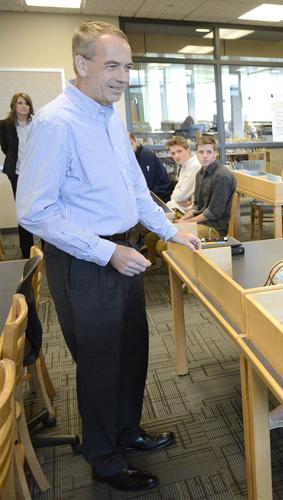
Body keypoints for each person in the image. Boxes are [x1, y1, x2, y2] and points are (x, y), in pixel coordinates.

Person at [16, 22, 201, 491]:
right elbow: (35, 211)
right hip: (86, 259)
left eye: (129, 67)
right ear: (82, 64)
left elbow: (135, 190)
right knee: (100, 365)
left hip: (123, 250)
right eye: (112, 65)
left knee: (131, 353)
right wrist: (106, 252)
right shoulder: (56, 122)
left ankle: (126, 433)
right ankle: (104, 459)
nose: (123, 77)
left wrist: (169, 231)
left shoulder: (108, 117)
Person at [144, 135, 201, 265]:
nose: (176, 156)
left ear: (188, 150)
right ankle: (157, 266)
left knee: (151, 231)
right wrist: (178, 195)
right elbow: (176, 195)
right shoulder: (184, 166)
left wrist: (178, 196)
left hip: (183, 212)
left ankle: (173, 267)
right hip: (176, 207)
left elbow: (179, 196)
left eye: (179, 151)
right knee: (148, 230)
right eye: (173, 153)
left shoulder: (194, 167)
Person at [176, 136, 236, 239]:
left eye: (209, 152)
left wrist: (186, 223)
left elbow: (212, 213)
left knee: (169, 241)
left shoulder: (222, 176)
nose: (204, 156)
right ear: (196, 154)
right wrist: (182, 220)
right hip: (201, 222)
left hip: (214, 228)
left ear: (215, 154)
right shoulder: (200, 174)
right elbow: (197, 206)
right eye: (201, 152)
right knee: (156, 237)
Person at [1, 92, 36, 258]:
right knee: (23, 212)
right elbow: (5, 147)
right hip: (16, 174)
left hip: (36, 174)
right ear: (14, 106)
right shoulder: (4, 125)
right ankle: (27, 252)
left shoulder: (37, 123)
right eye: (20, 103)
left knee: (41, 208)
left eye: (26, 103)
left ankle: (47, 249)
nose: (24, 106)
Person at [128, 132, 172, 202]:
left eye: (131, 144)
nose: (129, 149)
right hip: (150, 195)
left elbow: (147, 184)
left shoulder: (145, 155)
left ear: (136, 142)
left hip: (160, 196)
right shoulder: (133, 156)